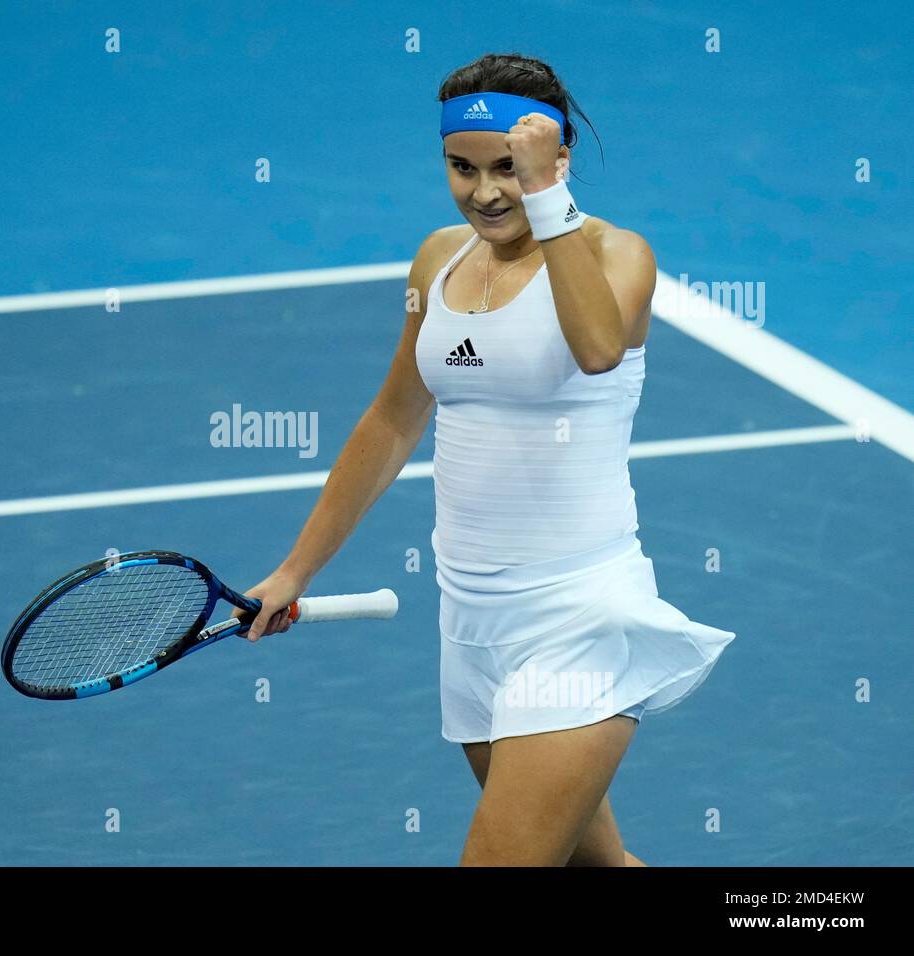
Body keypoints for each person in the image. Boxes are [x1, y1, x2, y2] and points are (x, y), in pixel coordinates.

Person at [233, 53, 737, 866]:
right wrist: (297, 568)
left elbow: (599, 347)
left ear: (556, 159)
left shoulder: (619, 254)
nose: (485, 192)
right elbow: (393, 419)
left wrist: (549, 202)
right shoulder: (438, 260)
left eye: (509, 168)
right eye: (462, 169)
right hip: (471, 625)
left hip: (579, 614)